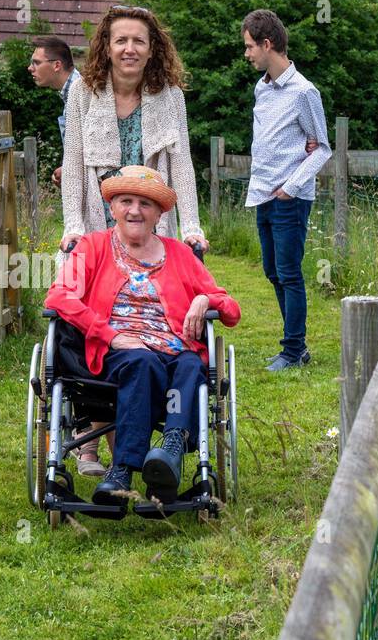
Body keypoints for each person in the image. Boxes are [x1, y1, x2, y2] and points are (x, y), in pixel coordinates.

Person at [60, 5, 208, 476]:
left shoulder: (170, 97)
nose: (129, 48)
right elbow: (72, 160)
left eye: (138, 41)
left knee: (143, 313)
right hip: (97, 220)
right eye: (120, 40)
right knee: (98, 317)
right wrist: (73, 226)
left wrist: (190, 226)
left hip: (151, 221)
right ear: (106, 45)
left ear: (152, 48)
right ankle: (87, 446)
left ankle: (147, 436)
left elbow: (181, 164)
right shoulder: (84, 92)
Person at [45, 166, 240, 508]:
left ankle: (168, 453)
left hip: (174, 352)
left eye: (145, 204)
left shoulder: (180, 254)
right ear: (113, 208)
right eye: (126, 201)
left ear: (159, 213)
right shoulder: (92, 247)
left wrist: (204, 298)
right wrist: (109, 335)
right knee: (143, 360)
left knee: (191, 365)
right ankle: (124, 469)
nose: (135, 210)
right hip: (118, 354)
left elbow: (232, 309)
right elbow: (58, 298)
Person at [241, 9, 331, 372]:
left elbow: (322, 147)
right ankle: (296, 347)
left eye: (249, 47)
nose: (246, 54)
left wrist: (291, 189)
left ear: (267, 44)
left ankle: (293, 350)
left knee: (289, 272)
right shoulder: (261, 88)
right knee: (272, 271)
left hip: (289, 199)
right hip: (262, 192)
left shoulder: (304, 92)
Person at [26, 36, 77, 187]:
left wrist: (70, 170)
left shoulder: (82, 93)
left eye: (36, 62)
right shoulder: (70, 93)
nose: (30, 68)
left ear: (56, 65)